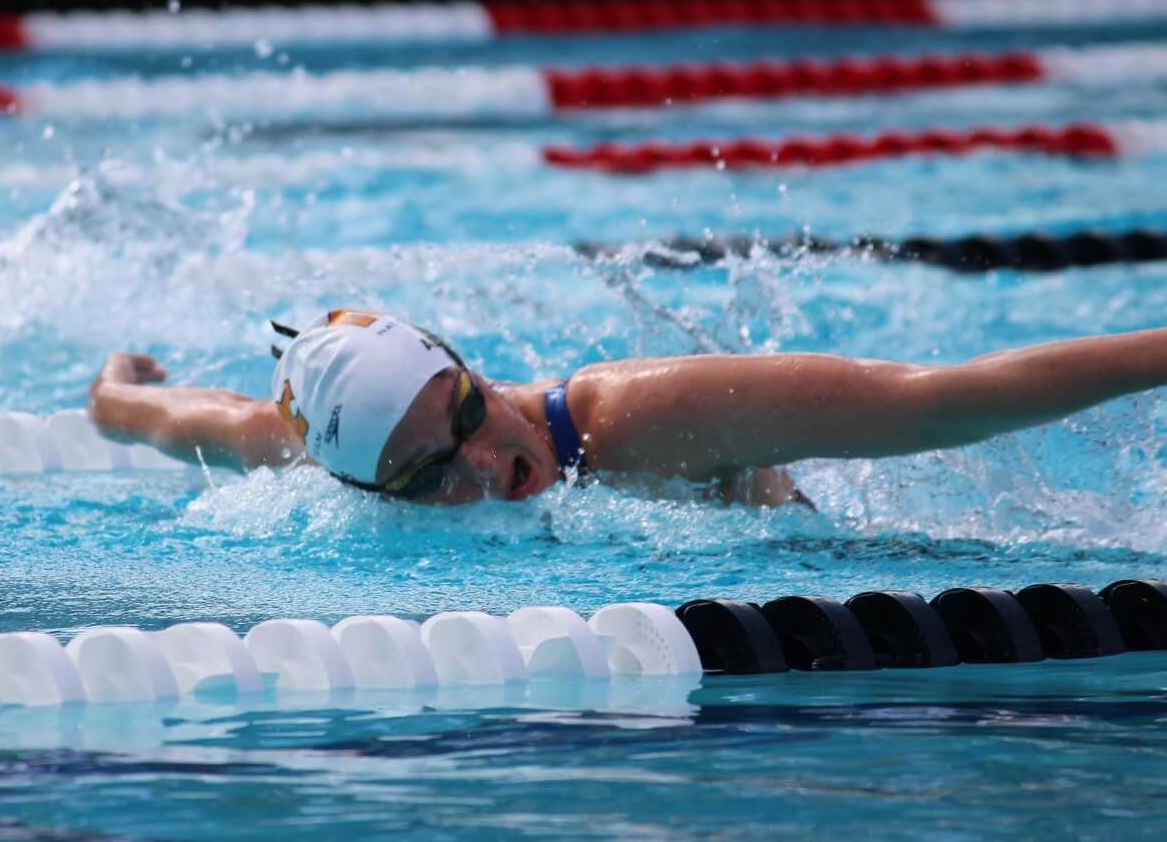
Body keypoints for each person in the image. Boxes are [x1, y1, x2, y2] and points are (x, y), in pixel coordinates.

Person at [88, 310, 1166, 506]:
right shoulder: (307, 455)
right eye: (428, 477)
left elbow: (940, 400)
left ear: (468, 367)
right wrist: (114, 387)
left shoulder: (653, 420)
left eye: (468, 414)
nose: (485, 468)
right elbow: (153, 415)